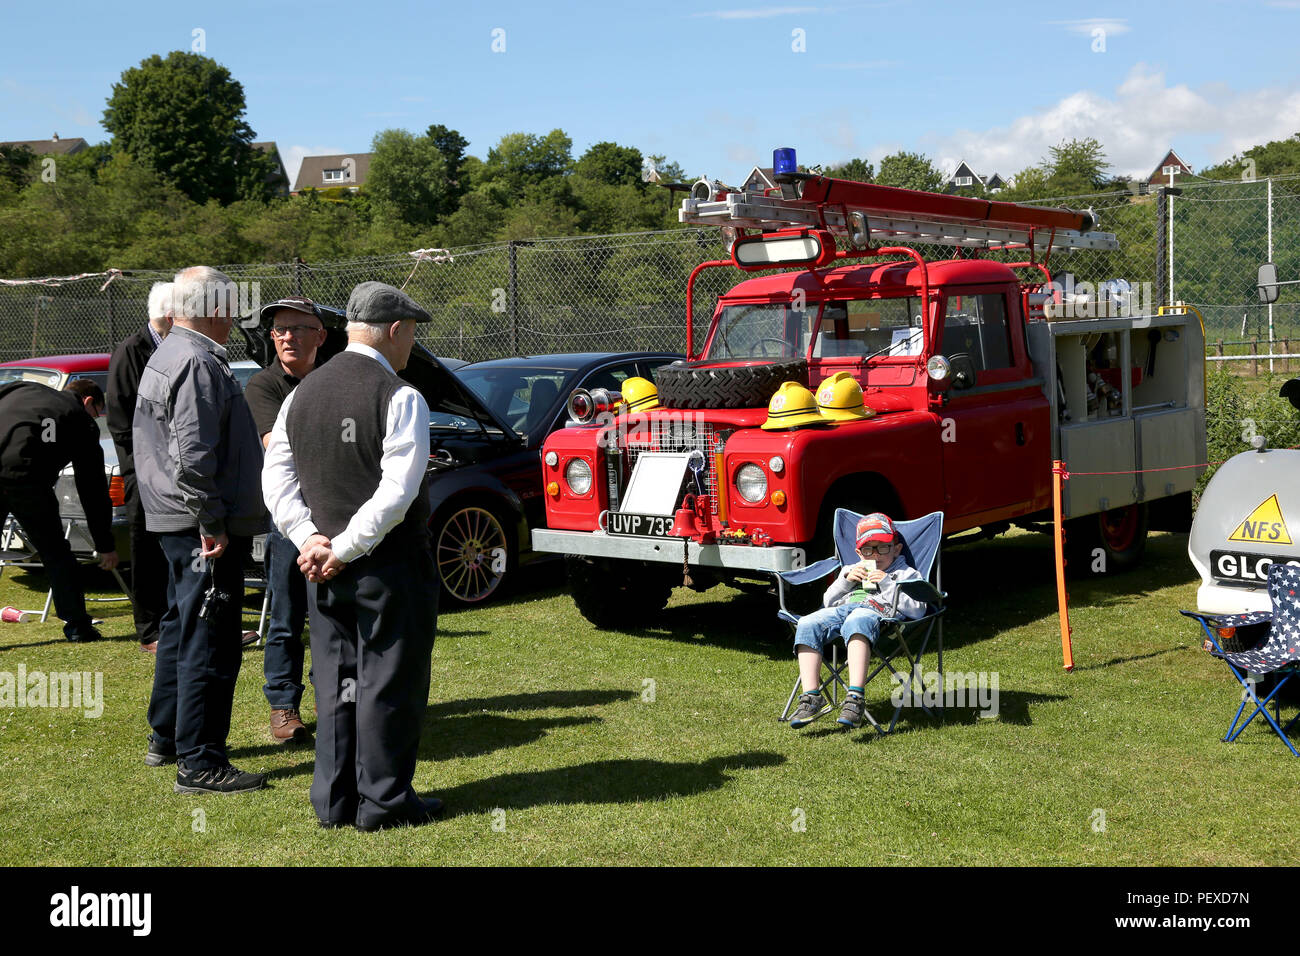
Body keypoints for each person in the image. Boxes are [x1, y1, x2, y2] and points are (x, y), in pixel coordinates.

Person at [264, 280, 440, 831]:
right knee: (389, 679)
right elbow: (396, 492)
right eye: (411, 332)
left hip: (321, 564)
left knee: (335, 681)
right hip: (387, 568)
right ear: (395, 330)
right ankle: (384, 802)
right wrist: (341, 547)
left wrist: (307, 538)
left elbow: (277, 476)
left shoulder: (301, 393)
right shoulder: (400, 396)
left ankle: (334, 801)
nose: (411, 344)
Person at [134, 265, 268, 794]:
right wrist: (212, 520)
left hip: (177, 518)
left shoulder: (169, 351)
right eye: (232, 304)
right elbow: (192, 455)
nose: (236, 316)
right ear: (215, 307)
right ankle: (201, 760)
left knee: (183, 626)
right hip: (199, 524)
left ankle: (166, 737)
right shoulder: (195, 359)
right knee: (210, 637)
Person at [243, 296, 327, 744]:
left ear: (321, 336)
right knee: (286, 616)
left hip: (338, 517)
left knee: (334, 613)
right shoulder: (263, 386)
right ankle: (283, 708)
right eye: (279, 330)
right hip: (288, 520)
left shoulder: (337, 378)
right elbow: (279, 448)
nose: (288, 337)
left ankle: (333, 700)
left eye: (298, 328)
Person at [0, 379, 118, 642]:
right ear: (88, 402)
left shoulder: (20, 388)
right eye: (97, 412)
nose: (95, 420)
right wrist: (104, 543)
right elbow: (92, 489)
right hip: (26, 478)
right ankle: (77, 626)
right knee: (56, 553)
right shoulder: (80, 419)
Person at [789, 513, 926, 730]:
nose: (875, 556)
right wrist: (845, 581)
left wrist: (889, 583)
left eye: (882, 548)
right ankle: (811, 697)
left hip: (877, 615)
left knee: (858, 620)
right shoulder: (851, 570)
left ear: (896, 549)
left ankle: (855, 698)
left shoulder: (903, 572)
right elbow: (828, 602)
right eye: (868, 550)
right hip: (842, 611)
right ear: (858, 552)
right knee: (807, 623)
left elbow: (918, 609)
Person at [106, 281, 173, 654]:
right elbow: (121, 417)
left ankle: (179, 620)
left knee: (174, 548)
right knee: (146, 548)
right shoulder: (132, 350)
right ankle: (150, 630)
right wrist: (146, 465)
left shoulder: (173, 347)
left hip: (174, 468)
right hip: (143, 470)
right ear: (168, 315)